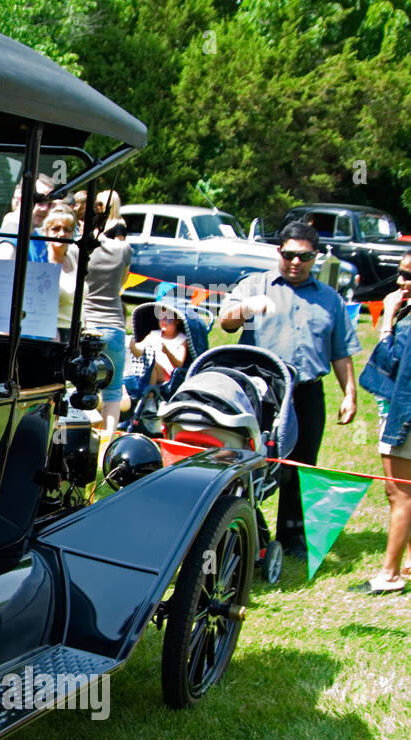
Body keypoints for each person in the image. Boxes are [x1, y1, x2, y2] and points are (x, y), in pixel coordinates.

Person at [218, 220, 360, 559]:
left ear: (315, 257)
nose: (295, 262)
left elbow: (340, 352)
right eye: (289, 254)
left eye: (304, 256)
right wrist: (245, 308)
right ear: (278, 252)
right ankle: (245, 528)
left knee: (301, 464)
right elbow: (226, 321)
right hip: (262, 391)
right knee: (255, 461)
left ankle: (292, 534)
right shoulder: (255, 284)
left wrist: (350, 393)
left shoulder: (330, 299)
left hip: (307, 391)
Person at [360, 252, 411, 591]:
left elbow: (392, 362)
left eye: (409, 276)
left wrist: (387, 319)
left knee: (399, 494)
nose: (400, 282)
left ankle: (390, 575)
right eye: (400, 273)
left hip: (404, 417)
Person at [79, 215, 132, 433]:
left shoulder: (79, 248)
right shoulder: (124, 249)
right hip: (114, 325)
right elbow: (122, 283)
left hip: (86, 324)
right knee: (113, 393)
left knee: (79, 385)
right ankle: (107, 442)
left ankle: (76, 434)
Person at [0, 173, 55, 261]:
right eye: (40, 200)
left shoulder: (36, 237)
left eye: (50, 203)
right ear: (20, 196)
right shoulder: (8, 243)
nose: (45, 208)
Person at [128, 303, 187, 385]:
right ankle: (136, 351)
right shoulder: (154, 334)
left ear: (177, 321)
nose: (163, 321)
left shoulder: (181, 339)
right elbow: (142, 344)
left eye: (168, 318)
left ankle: (150, 395)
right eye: (161, 318)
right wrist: (136, 347)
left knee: (152, 362)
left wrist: (167, 352)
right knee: (143, 352)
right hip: (147, 368)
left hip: (168, 375)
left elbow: (179, 364)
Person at [42, 204, 78, 331]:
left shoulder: (74, 257)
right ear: (46, 231)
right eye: (56, 229)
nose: (61, 233)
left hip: (76, 331)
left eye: (67, 229)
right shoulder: (42, 261)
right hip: (53, 333)